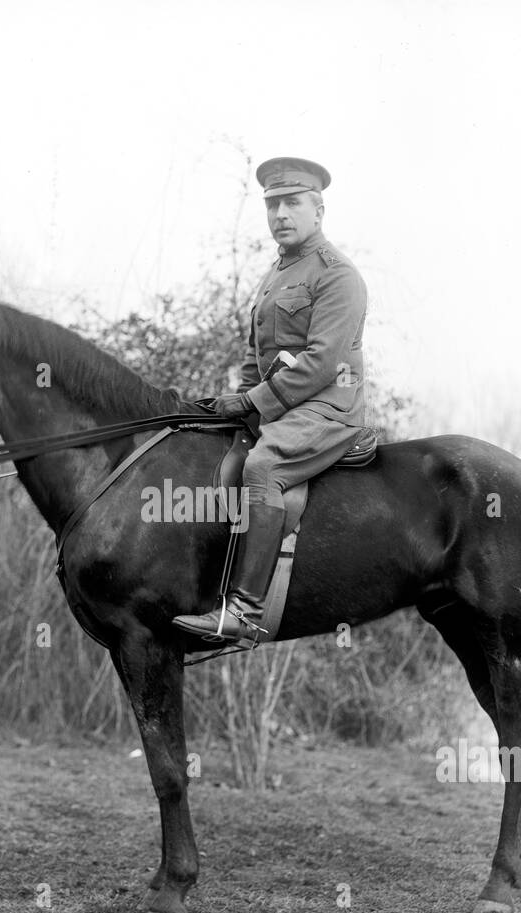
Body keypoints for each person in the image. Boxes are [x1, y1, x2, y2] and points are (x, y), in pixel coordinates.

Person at [173, 156, 368, 643]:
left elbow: (322, 362)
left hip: (326, 408)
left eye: (292, 203)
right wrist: (235, 402)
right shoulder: (276, 273)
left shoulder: (337, 275)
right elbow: (255, 354)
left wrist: (253, 403)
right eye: (273, 204)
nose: (281, 214)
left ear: (318, 210)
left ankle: (244, 611)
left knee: (263, 468)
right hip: (282, 404)